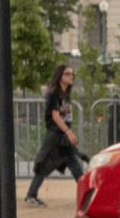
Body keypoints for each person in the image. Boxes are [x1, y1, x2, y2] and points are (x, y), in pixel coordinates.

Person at [23, 66, 84, 206]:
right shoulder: (53, 93)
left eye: (72, 74)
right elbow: (55, 116)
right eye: (68, 74)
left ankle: (85, 195)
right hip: (56, 134)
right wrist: (69, 132)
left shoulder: (65, 93)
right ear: (60, 76)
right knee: (44, 164)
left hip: (63, 135)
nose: (71, 77)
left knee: (74, 163)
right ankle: (31, 195)